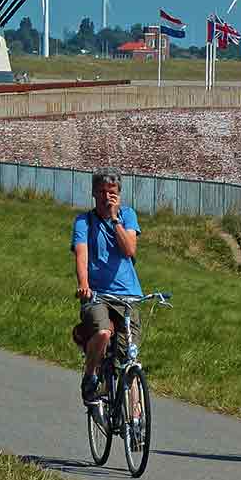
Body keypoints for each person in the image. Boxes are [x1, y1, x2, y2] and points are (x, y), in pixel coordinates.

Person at [72, 169, 143, 432]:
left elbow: (129, 250)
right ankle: (90, 378)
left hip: (128, 296)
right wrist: (84, 285)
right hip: (98, 295)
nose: (106, 197)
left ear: (119, 195)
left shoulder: (127, 216)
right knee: (102, 332)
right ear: (93, 193)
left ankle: (135, 419)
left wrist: (115, 220)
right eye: (101, 192)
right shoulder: (84, 222)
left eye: (111, 193)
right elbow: (81, 255)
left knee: (129, 360)